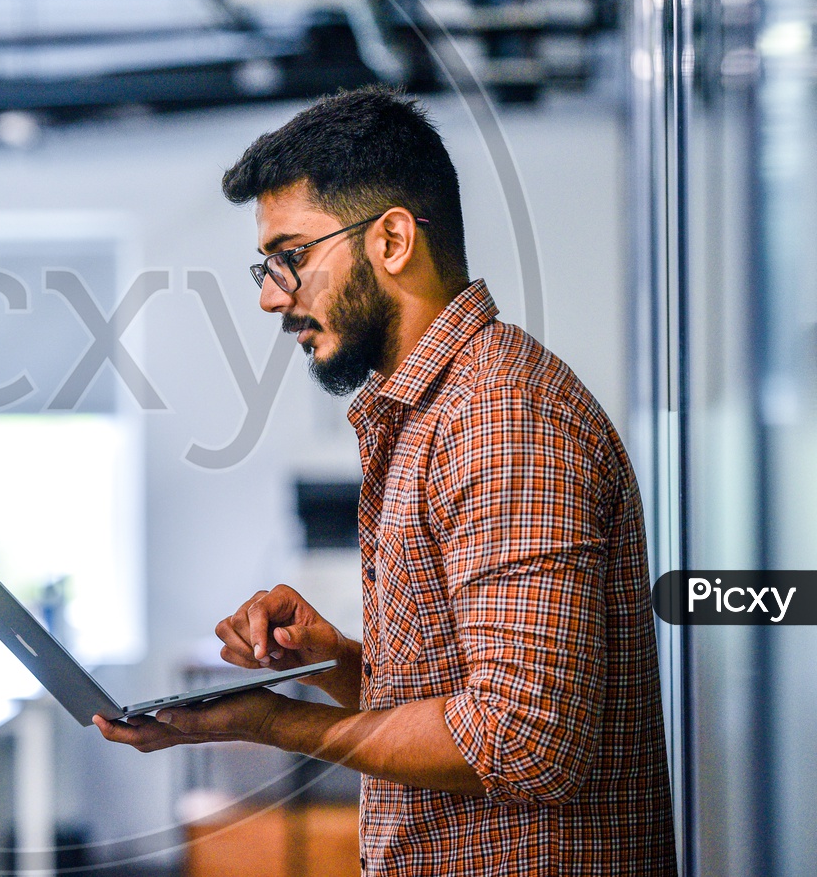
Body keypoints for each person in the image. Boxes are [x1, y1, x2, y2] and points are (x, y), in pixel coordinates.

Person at [93, 87, 676, 875]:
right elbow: (462, 698)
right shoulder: (432, 417)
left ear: (392, 239)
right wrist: (333, 659)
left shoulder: (502, 417)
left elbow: (525, 742)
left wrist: (271, 723)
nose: (271, 296)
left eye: (291, 257)